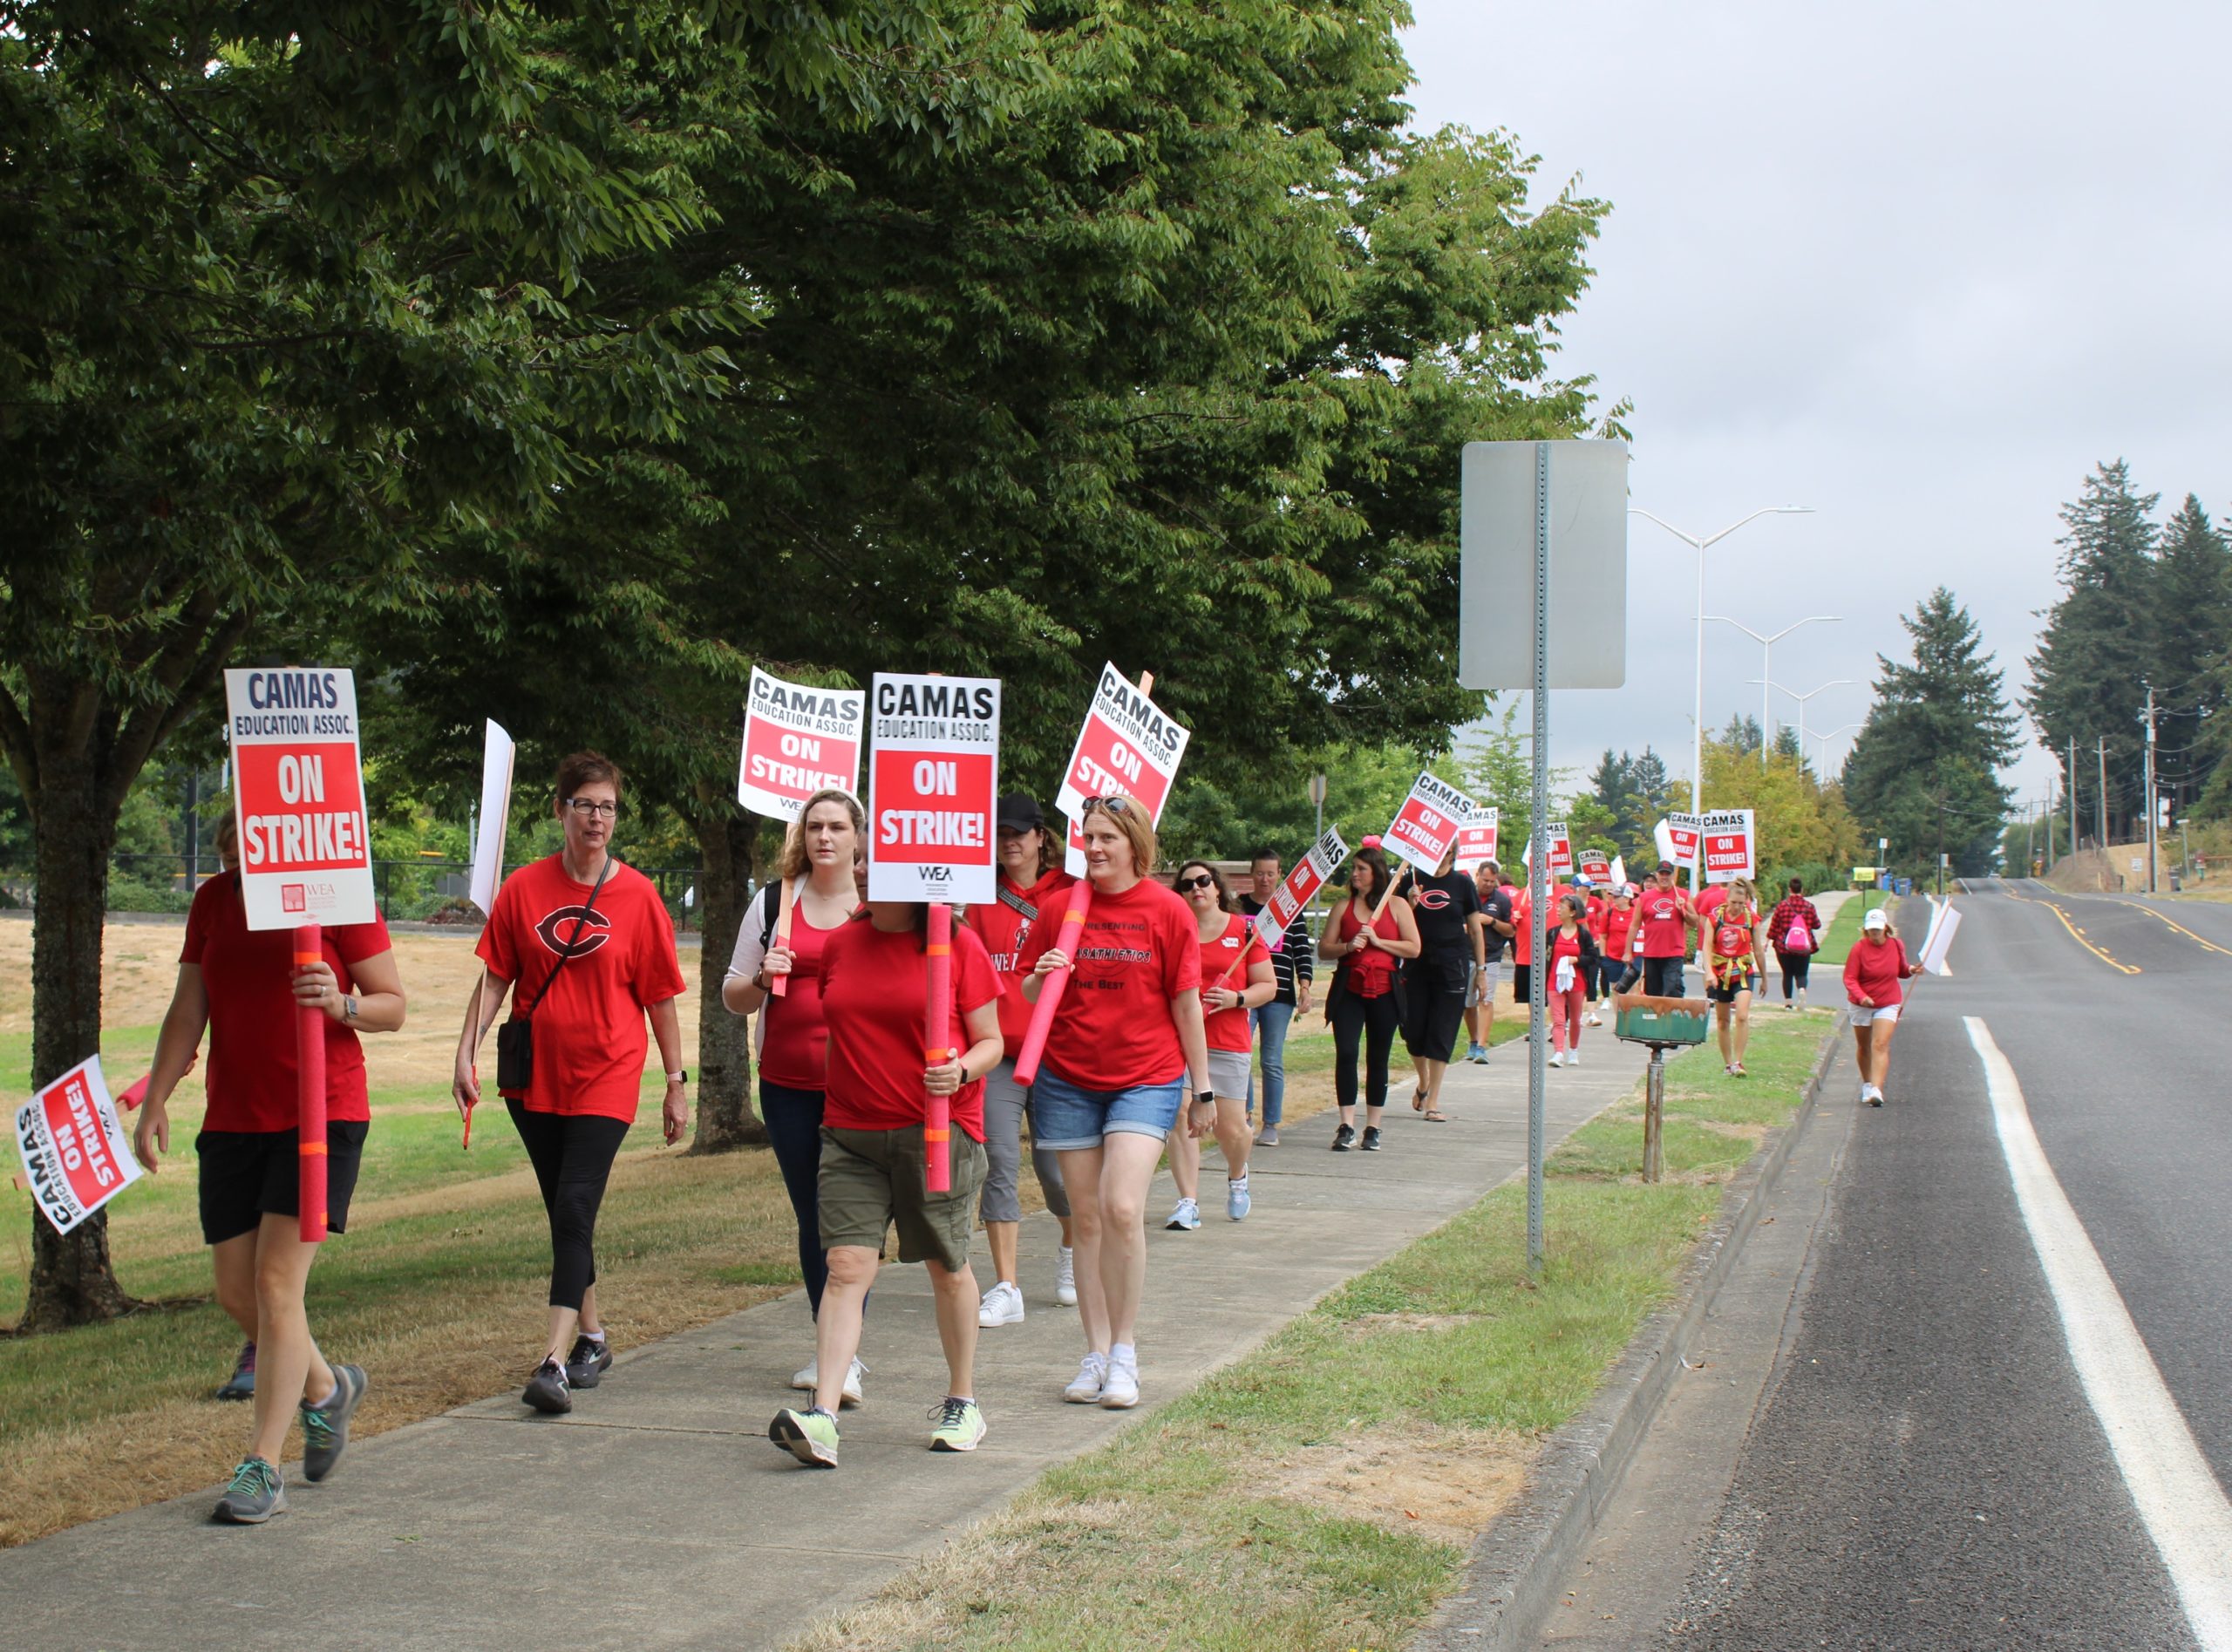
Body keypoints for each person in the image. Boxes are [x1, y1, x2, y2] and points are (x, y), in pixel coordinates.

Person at [133, 811, 405, 1524]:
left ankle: (262, 1464)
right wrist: (156, 1096)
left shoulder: (339, 895)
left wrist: (339, 1001)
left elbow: (393, 1005)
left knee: (277, 1281)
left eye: (245, 858)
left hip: (321, 1111)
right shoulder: (213, 903)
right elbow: (190, 1006)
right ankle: (326, 1387)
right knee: (235, 1291)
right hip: (233, 1116)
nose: (237, 873)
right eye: (227, 860)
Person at [456, 751, 689, 1416]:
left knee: (575, 1206)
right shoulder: (523, 889)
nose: (597, 816)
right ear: (559, 810)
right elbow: (496, 976)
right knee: (564, 1209)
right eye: (584, 803)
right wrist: (464, 1052)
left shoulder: (639, 895)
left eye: (608, 805)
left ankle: (553, 1360)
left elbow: (662, 996)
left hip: (608, 1074)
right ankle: (593, 1334)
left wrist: (675, 1082)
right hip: (534, 1078)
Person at [766, 901, 1006, 1466]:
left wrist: (962, 1070)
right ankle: (822, 1415)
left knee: (947, 1268)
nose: (868, 867)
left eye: (880, 857)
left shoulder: (956, 941)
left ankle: (963, 1399)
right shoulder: (843, 943)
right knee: (846, 1266)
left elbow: (991, 1039)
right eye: (866, 856)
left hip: (938, 1133)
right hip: (851, 1135)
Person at [1019, 796, 1212, 1410]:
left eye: (1107, 837)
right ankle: (1095, 1353)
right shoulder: (1058, 909)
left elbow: (1186, 1004)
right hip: (1068, 1077)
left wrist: (1202, 1088)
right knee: (1087, 1219)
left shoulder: (1168, 909)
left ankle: (1126, 1352)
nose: (1095, 848)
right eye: (1088, 837)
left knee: (1122, 1206)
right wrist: (1041, 971)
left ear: (1135, 843)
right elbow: (1026, 988)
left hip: (1146, 1075)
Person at [725, 787, 867, 1404]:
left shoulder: (879, 904)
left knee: (853, 1218)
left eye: (837, 826)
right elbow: (732, 994)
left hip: (863, 1082)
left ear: (858, 837)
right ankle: (835, 1349)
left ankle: (846, 1347)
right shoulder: (774, 902)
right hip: (787, 1083)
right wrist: (761, 975)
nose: (825, 837)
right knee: (814, 1216)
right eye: (815, 826)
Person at [963, 794, 1075, 1327]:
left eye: (1019, 832)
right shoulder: (978, 896)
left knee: (1056, 1172)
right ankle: (1006, 1285)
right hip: (1000, 1055)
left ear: (1040, 837)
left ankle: (1072, 1249)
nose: (1009, 841)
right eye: (1000, 832)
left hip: (1056, 1052)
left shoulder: (1072, 895)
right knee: (1000, 1164)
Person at [1163, 860, 1274, 1227]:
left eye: (1204, 881)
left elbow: (1268, 986)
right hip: (1178, 1041)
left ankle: (1238, 1175)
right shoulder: (1173, 931)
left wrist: (1236, 999)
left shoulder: (1244, 930)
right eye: (1187, 884)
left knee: (1231, 1128)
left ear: (1217, 887)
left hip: (1227, 1041)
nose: (1196, 888)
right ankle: (1187, 1202)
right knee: (1182, 1117)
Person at [1318, 846, 1423, 1141]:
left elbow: (1413, 947)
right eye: (1354, 868)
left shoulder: (1398, 905)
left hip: (1385, 988)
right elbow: (1324, 949)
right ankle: (1346, 1124)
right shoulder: (1343, 907)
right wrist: (1348, 946)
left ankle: (1373, 1126)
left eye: (1361, 869)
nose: (1354, 874)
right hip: (1349, 987)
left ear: (1376, 873)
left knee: (1378, 1056)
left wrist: (1378, 940)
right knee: (1347, 1052)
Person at [1398, 844, 1484, 1121]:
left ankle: (1433, 1100)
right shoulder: (1411, 879)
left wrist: (1481, 969)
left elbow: (1474, 928)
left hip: (1452, 964)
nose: (1437, 859)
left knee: (1442, 1030)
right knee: (1413, 1031)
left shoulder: (1462, 884)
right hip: (1416, 964)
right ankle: (1423, 1083)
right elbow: (1394, 920)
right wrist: (1409, 903)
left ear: (1452, 855)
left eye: (1444, 853)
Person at [1235, 846, 1313, 1146]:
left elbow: (1302, 950)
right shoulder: (1239, 907)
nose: (1264, 879)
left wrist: (1305, 986)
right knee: (1241, 1055)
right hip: (1247, 992)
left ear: (1279, 874)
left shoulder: (1290, 909)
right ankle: (1245, 1114)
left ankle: (1271, 1123)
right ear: (1251, 874)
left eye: (1270, 873)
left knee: (1271, 1059)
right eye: (1259, 873)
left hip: (1280, 995)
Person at [1844, 908, 1919, 1105]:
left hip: (1888, 1001)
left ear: (1885, 928)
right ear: (1866, 930)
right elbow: (1850, 978)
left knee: (1880, 1044)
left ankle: (1877, 1089)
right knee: (1864, 1046)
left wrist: (1911, 969)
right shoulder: (1859, 948)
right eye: (1871, 929)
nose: (1875, 933)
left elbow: (1901, 970)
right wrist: (1862, 997)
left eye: (1878, 929)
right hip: (1862, 1003)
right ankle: (1867, 1084)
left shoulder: (1896, 945)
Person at [1705, 877, 1766, 1077]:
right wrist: (1709, 972)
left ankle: (1739, 1062)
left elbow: (1758, 950)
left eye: (1741, 903)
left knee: (1741, 1015)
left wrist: (1764, 977)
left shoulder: (1751, 920)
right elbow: (1707, 947)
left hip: (1743, 970)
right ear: (1727, 899)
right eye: (1734, 903)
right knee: (1723, 1021)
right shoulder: (1715, 917)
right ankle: (1728, 1063)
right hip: (1721, 971)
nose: (1737, 907)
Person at [1463, 860, 1514, 1063]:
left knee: (1486, 999)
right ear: (1477, 876)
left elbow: (1511, 930)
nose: (1488, 884)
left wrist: (1491, 921)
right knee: (1468, 1002)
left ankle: (1482, 1047)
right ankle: (1473, 1041)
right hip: (1466, 954)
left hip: (1492, 956)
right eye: (1485, 880)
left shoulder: (1501, 901)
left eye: (1492, 881)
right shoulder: (1467, 896)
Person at [1545, 894, 1601, 1068]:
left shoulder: (1583, 934)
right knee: (1559, 1020)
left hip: (1577, 983)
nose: (1558, 910)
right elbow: (1547, 956)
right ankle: (1558, 1052)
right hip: (1555, 982)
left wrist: (1575, 960)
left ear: (1572, 912)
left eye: (1562, 907)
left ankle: (1574, 1050)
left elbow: (1592, 957)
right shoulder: (1553, 933)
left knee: (1575, 1019)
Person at [1635, 861, 1701, 998]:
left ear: (1672, 876)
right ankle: (1657, 1019)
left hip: (1673, 952)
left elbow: (1695, 921)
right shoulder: (1645, 897)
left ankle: (1673, 1018)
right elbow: (1634, 925)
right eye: (1661, 873)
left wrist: (1683, 910)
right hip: (1651, 952)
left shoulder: (1682, 894)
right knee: (1653, 994)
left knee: (1672, 989)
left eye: (1667, 874)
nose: (1664, 877)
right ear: (1657, 875)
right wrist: (1628, 951)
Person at [1767, 877, 1823, 1010]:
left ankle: (1788, 1002)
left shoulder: (1782, 906)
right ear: (1802, 890)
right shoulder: (1809, 907)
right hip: (1803, 947)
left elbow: (1774, 926)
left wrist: (1770, 938)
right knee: (1801, 973)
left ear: (1789, 889)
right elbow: (1817, 925)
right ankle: (1802, 989)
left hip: (1784, 947)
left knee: (1787, 974)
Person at [1600, 883, 1637, 1008]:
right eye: (1613, 896)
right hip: (1613, 957)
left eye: (1617, 897)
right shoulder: (1609, 913)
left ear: (1627, 899)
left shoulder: (1636, 913)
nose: (1614, 899)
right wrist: (1603, 957)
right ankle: (1618, 1022)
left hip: (1632, 957)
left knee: (1632, 988)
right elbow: (1603, 936)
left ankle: (1630, 1018)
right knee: (1616, 989)